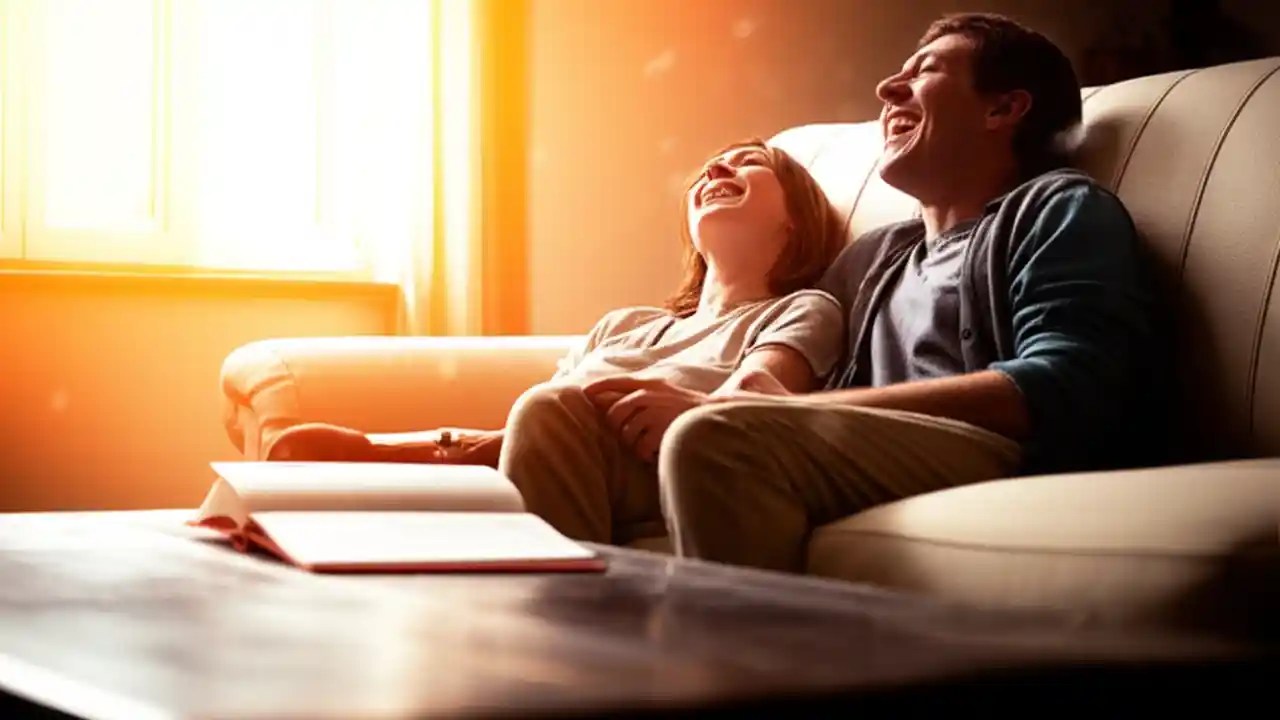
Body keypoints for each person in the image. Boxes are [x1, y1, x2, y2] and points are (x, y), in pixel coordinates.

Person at [584, 13, 1165, 572]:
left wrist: (776, 411)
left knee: (718, 437)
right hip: (857, 449)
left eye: (924, 72)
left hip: (994, 448)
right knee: (580, 430)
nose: (889, 88)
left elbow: (1067, 382)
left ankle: (747, 671)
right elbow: (767, 345)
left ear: (1004, 108)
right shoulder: (873, 256)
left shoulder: (1059, 208)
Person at [267, 138, 848, 546]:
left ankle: (407, 464)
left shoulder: (802, 309)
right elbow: (526, 435)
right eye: (707, 170)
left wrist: (384, 452)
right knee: (297, 459)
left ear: (797, 216)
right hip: (553, 454)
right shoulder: (624, 326)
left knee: (552, 408)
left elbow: (762, 402)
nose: (715, 173)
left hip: (661, 467)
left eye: (744, 164)